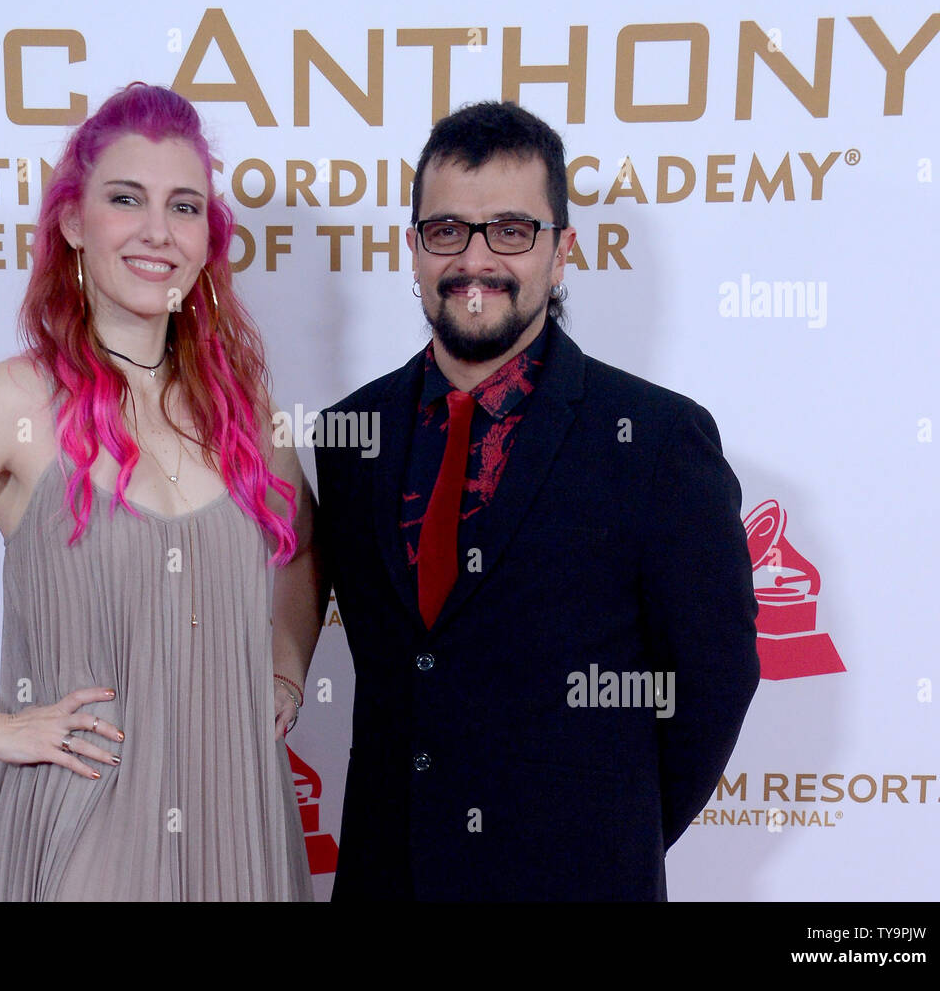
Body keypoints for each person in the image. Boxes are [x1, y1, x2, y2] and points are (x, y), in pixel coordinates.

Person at [0, 83, 322, 901]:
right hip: (85, 819)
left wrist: (286, 671)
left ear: (208, 236)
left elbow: (303, 551)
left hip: (240, 816)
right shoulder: (14, 402)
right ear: (74, 223)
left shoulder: (246, 411)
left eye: (184, 206)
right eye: (127, 199)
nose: (158, 230)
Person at [313, 100, 760, 901]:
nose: (476, 259)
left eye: (512, 231)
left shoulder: (657, 440)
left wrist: (607, 831)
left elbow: (713, 681)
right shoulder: (349, 436)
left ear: (561, 253)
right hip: (388, 879)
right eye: (448, 230)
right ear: (413, 249)